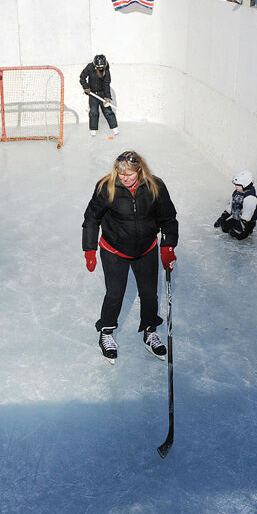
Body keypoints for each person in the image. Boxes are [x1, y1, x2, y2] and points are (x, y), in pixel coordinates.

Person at [82, 150, 178, 363]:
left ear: (139, 171)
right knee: (115, 294)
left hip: (146, 248)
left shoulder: (155, 186)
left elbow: (168, 218)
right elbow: (91, 219)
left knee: (149, 293)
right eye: (121, 173)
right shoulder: (106, 187)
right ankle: (106, 332)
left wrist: (168, 246)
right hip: (114, 249)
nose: (124, 177)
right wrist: (89, 249)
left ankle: (150, 331)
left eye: (129, 174)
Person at [79, 53, 119, 137]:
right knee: (93, 112)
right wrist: (86, 87)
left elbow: (106, 83)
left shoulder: (106, 68)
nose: (100, 69)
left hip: (102, 93)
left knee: (108, 111)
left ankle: (115, 129)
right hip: (92, 93)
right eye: (98, 68)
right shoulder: (90, 67)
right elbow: (82, 78)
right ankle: (93, 131)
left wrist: (107, 97)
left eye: (102, 67)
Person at [213, 169, 257, 240]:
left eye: (238, 185)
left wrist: (238, 229)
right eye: (235, 185)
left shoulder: (250, 198)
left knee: (236, 235)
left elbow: (247, 217)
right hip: (236, 218)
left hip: (247, 223)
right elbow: (230, 206)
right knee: (224, 227)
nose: (236, 187)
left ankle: (247, 231)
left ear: (246, 185)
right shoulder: (237, 192)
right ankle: (236, 228)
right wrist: (222, 218)